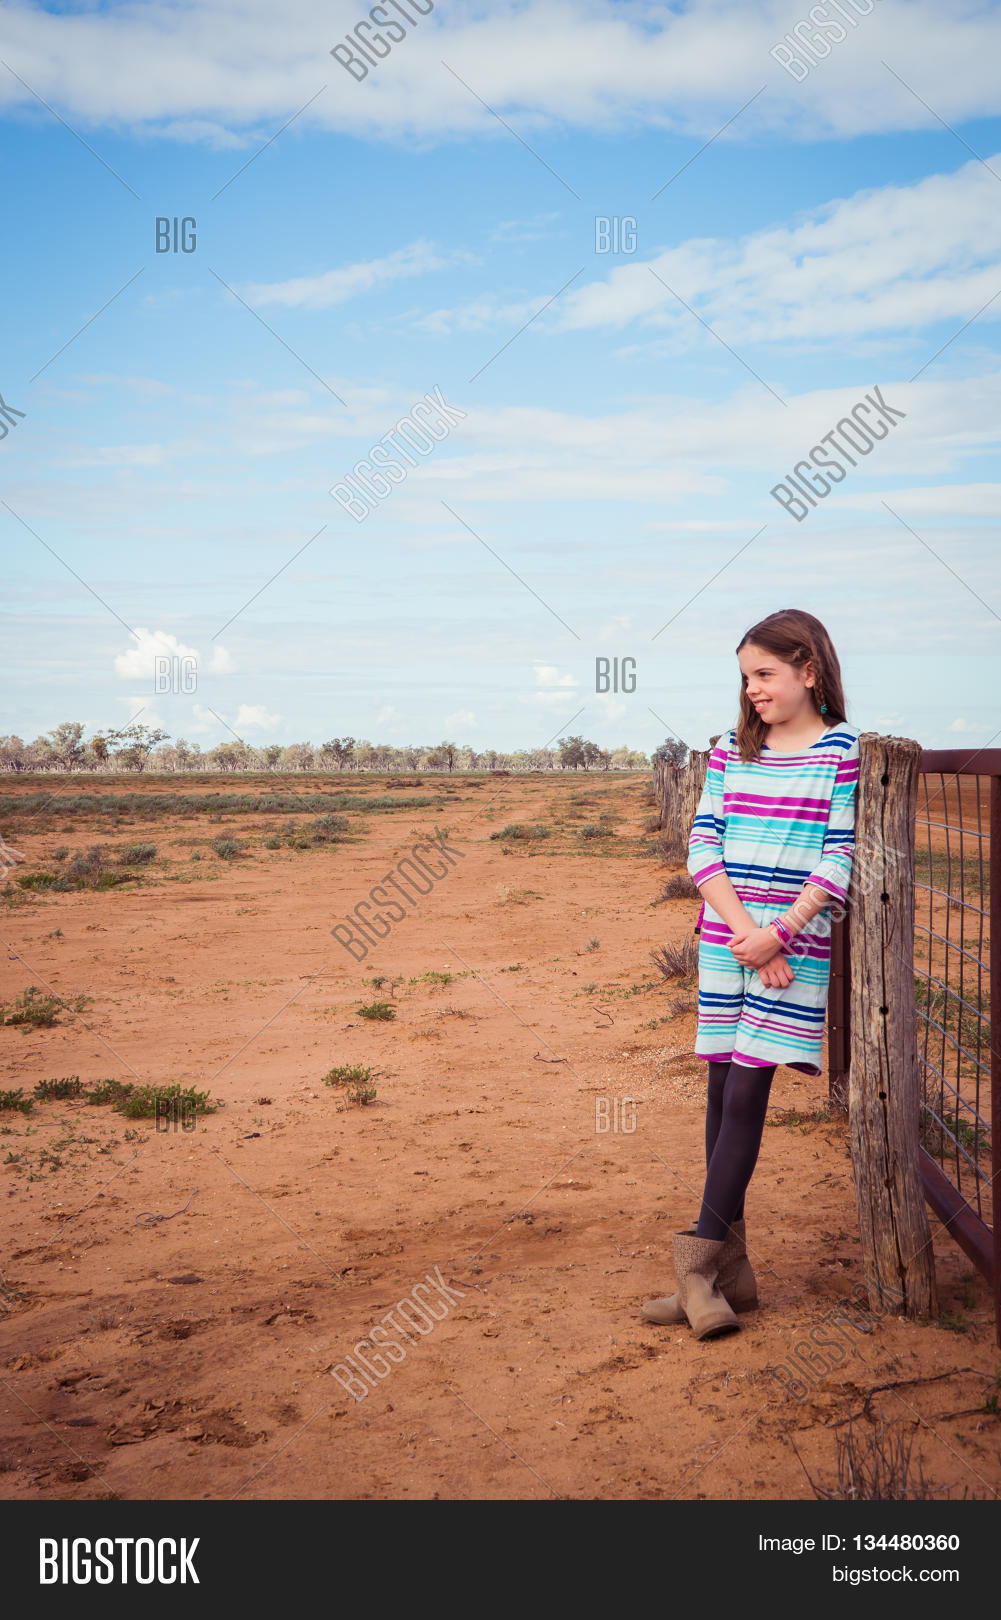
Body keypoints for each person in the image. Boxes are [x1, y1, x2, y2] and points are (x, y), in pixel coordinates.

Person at [642, 608, 860, 1340]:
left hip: (791, 953)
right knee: (716, 1089)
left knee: (744, 1093)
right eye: (745, 678)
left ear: (809, 669)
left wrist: (781, 933)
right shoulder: (729, 752)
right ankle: (729, 1276)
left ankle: (696, 1274)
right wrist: (746, 933)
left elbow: (838, 857)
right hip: (730, 944)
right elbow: (701, 846)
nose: (753, 690)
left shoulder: (841, 751)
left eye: (764, 674)